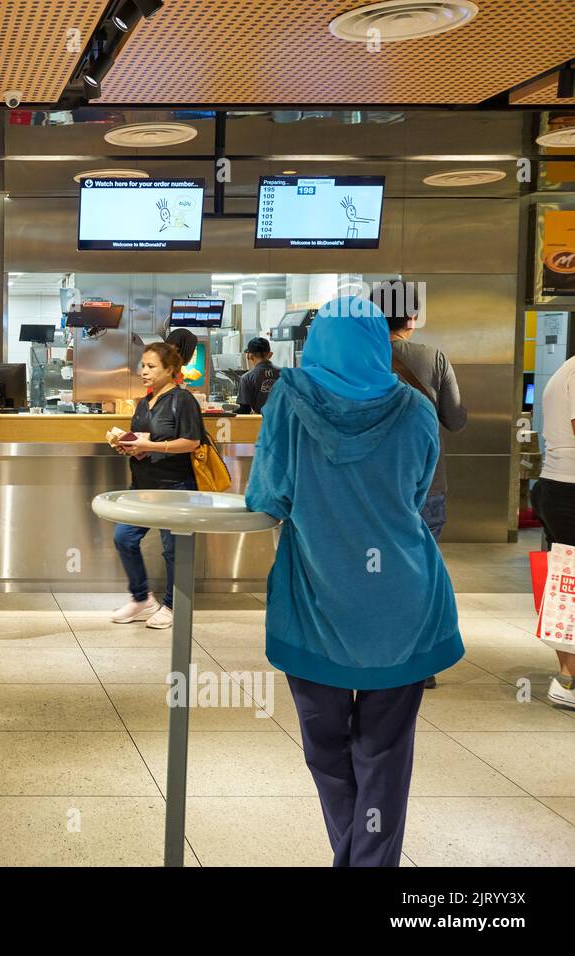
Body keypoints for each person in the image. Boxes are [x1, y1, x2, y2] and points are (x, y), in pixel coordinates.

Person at [246, 295, 463, 867]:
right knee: (386, 753)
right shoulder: (416, 408)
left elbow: (268, 496)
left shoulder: (288, 402)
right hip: (404, 602)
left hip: (316, 600)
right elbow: (418, 497)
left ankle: (357, 857)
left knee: (325, 750)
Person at [376, 284, 467, 689]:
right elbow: (456, 419)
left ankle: (378, 652)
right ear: (412, 318)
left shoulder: (362, 357)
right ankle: (419, 661)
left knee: (376, 566)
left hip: (374, 486)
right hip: (427, 483)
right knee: (423, 568)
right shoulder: (435, 358)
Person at [108, 342, 204, 630]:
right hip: (142, 485)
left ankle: (173, 605)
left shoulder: (182, 400)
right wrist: (130, 447)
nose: (144, 371)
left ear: (170, 370)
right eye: (143, 366)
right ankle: (141, 598)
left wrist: (149, 444)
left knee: (173, 548)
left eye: (151, 367)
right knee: (124, 537)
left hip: (174, 485)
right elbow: (141, 439)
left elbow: (192, 441)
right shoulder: (142, 402)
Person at [527, 353, 575, 711]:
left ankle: (568, 678)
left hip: (560, 487)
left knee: (566, 581)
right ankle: (568, 679)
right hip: (569, 488)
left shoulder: (567, 370)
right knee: (567, 583)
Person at [236, 337, 280, 414]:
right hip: (285, 422)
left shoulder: (247, 378)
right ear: (270, 354)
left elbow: (245, 410)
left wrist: (227, 413)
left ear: (249, 356)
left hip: (261, 423)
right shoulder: (285, 374)